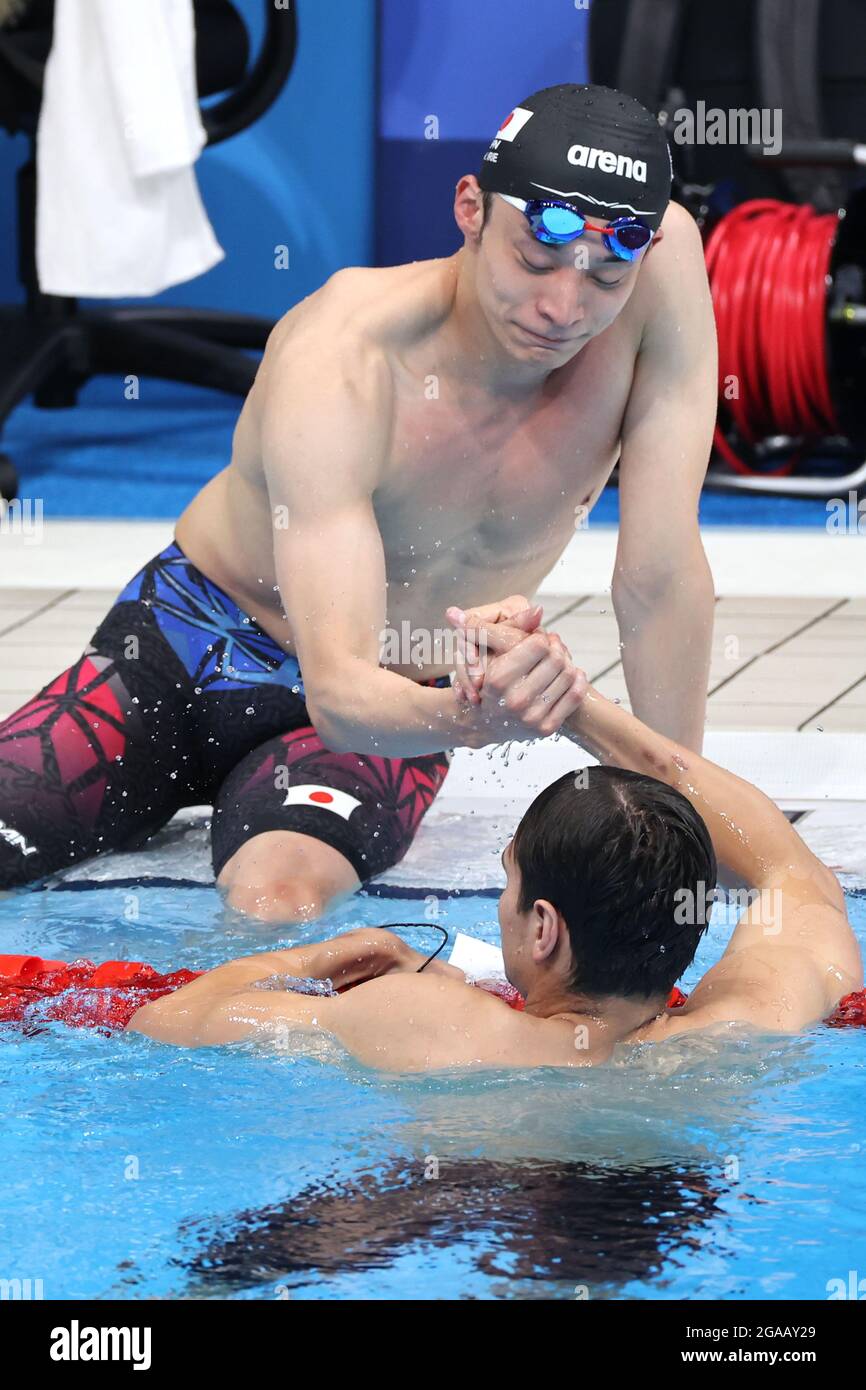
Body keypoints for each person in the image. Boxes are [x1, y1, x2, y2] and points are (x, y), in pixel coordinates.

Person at [0, 83, 716, 925]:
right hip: (187, 646)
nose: (566, 306)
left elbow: (660, 575)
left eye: (607, 273)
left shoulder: (663, 269)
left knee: (276, 902)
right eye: (534, 259)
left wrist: (675, 822)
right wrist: (475, 717)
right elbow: (336, 686)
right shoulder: (344, 355)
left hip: (395, 696)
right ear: (471, 210)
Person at [124, 614, 862, 1066]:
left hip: (482, 1205)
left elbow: (165, 1021)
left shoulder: (430, 1025)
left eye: (510, 882)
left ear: (544, 928)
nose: (505, 901)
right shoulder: (756, 1017)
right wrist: (576, 706)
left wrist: (317, 956)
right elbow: (790, 873)